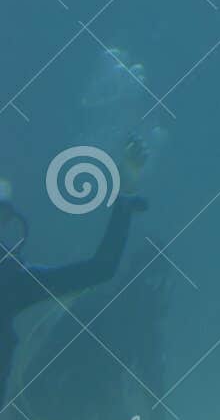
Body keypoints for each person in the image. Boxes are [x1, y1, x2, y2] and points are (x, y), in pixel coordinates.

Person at [0, 143, 147, 406]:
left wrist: (124, 198)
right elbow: (100, 270)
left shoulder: (13, 281)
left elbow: (100, 269)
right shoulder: (14, 281)